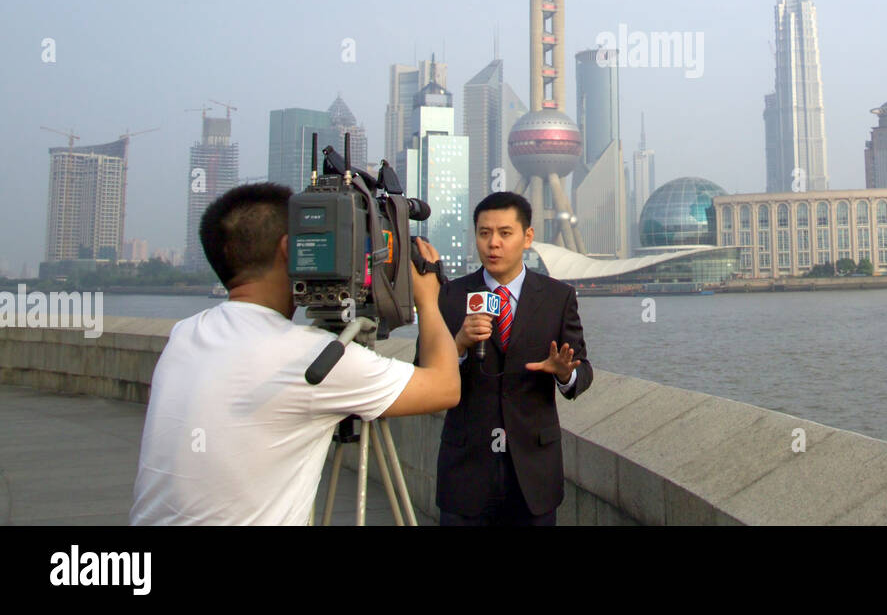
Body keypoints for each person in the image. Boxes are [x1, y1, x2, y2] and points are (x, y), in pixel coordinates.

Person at [130, 183, 460, 525]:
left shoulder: (185, 335)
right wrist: (429, 299)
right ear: (290, 249)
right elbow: (445, 387)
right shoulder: (311, 360)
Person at [435, 191, 593, 525]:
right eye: (484, 233)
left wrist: (565, 374)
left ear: (527, 237)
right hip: (466, 471)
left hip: (533, 473)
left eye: (505, 233)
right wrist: (459, 345)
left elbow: (583, 372)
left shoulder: (557, 297)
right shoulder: (451, 296)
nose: (493, 243)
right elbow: (427, 372)